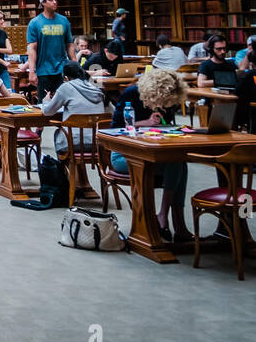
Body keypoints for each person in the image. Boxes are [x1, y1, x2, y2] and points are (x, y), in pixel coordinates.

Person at [109, 68, 190, 242]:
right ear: (154, 93)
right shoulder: (131, 94)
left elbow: (165, 124)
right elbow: (114, 128)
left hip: (152, 150)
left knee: (179, 162)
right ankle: (169, 219)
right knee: (176, 164)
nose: (166, 104)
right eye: (164, 100)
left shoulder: (169, 100)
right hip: (124, 156)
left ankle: (173, 220)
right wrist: (145, 123)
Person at [40, 61, 107, 155]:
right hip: (97, 141)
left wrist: (46, 101)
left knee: (57, 134)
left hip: (74, 142)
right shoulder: (95, 87)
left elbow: (48, 112)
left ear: (66, 78)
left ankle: (63, 168)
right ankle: (79, 169)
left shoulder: (66, 87)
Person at [26, 0, 74, 97]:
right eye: (51, 0)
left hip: (62, 68)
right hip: (44, 70)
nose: (54, 2)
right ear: (43, 3)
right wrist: (32, 72)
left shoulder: (64, 20)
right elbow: (32, 49)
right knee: (44, 103)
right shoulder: (35, 23)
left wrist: (75, 64)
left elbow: (69, 44)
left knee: (64, 101)